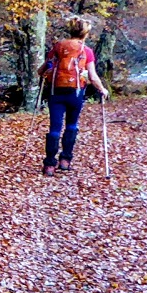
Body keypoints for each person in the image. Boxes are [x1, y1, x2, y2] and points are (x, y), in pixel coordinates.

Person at [40, 16, 109, 175]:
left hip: (55, 92)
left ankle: (50, 165)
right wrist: (102, 89)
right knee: (72, 125)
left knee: (54, 128)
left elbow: (41, 71)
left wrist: (46, 72)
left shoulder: (57, 48)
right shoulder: (86, 51)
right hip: (76, 93)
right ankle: (65, 161)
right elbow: (92, 76)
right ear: (85, 34)